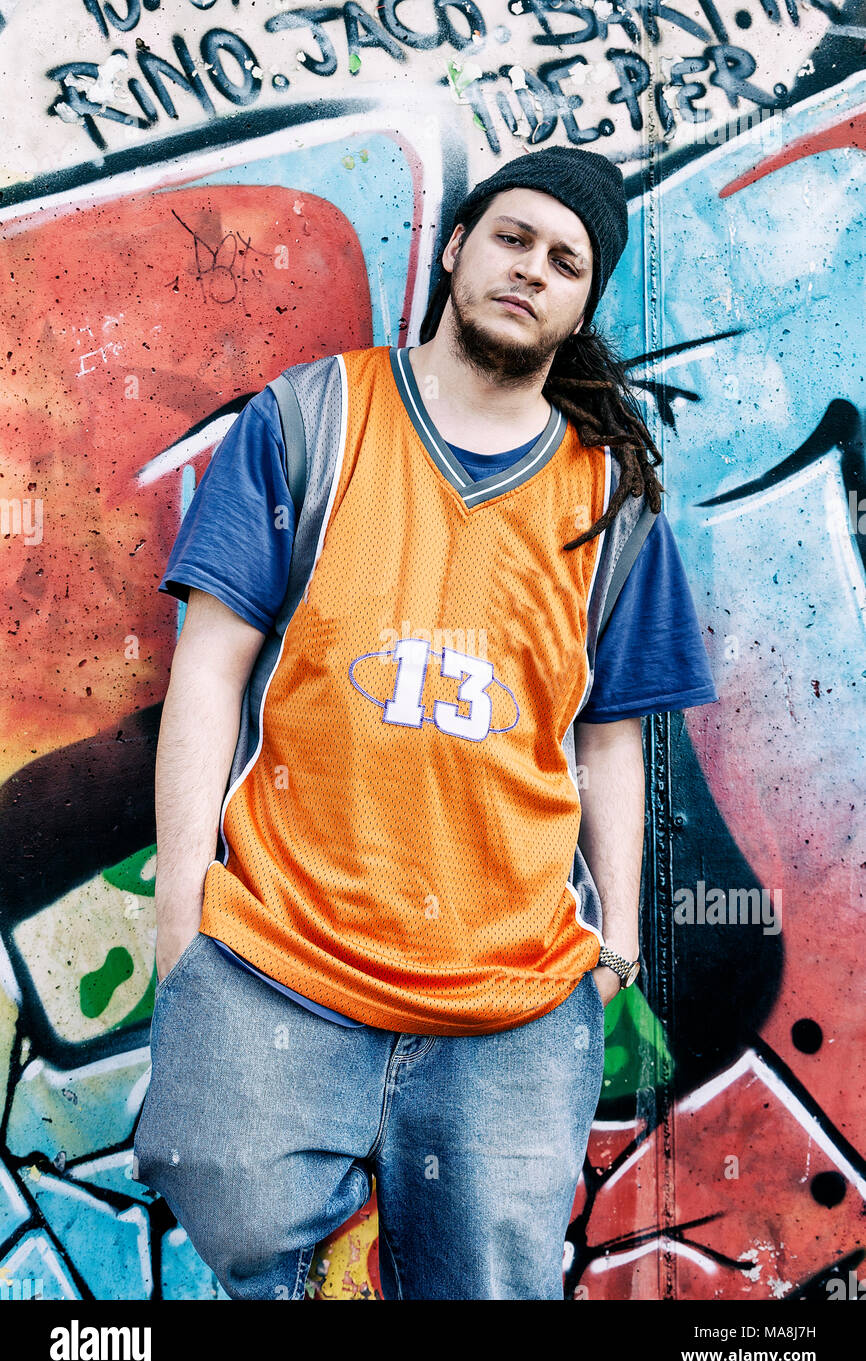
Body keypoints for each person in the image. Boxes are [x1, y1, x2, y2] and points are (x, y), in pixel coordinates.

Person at [132, 147, 718, 1301]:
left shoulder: (606, 502)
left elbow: (610, 735)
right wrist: (182, 912)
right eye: (510, 237)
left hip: (506, 997)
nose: (528, 270)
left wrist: (619, 944)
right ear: (454, 245)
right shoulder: (311, 422)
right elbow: (208, 669)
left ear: (581, 302)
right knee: (242, 1233)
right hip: (278, 965)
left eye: (564, 260)